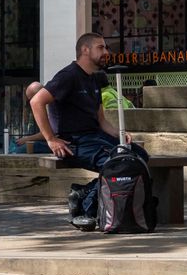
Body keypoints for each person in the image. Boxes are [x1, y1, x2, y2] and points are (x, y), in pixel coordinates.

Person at [30, 32, 150, 230]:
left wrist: (119, 134)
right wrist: (51, 139)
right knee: (116, 164)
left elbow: (101, 120)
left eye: (105, 48)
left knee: (139, 156)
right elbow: (36, 101)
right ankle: (85, 210)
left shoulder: (95, 79)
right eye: (100, 48)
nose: (106, 52)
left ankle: (83, 193)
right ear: (85, 50)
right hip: (74, 141)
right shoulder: (68, 76)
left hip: (96, 136)